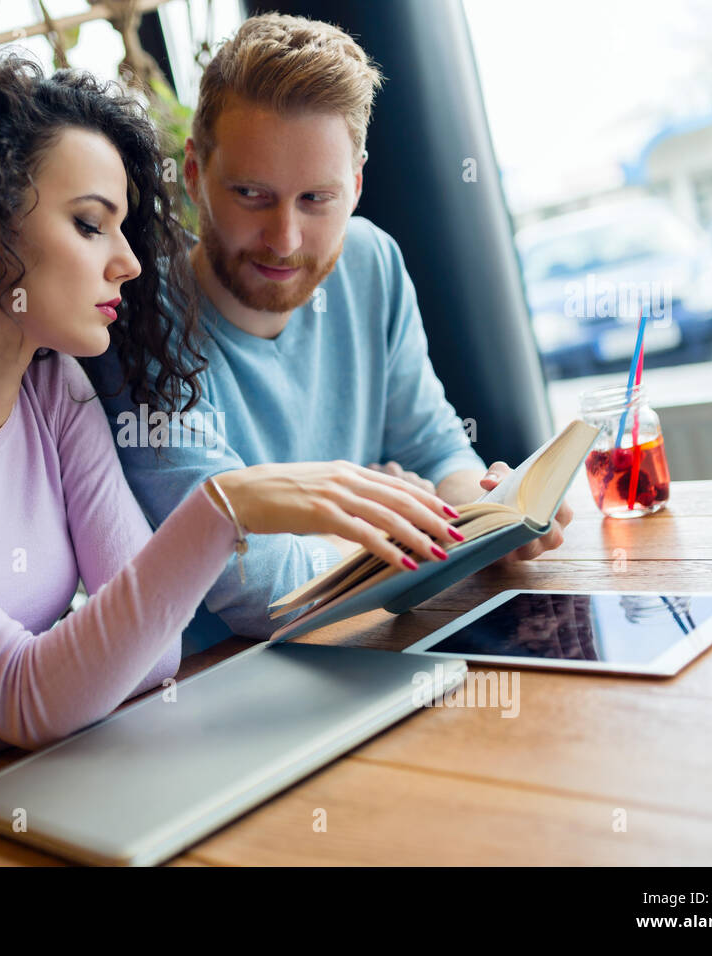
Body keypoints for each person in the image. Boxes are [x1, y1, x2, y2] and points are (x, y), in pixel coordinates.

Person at [0, 56, 463, 791]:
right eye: (89, 225)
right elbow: (25, 693)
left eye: (124, 229)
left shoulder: (55, 393)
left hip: (21, 776)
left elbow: (153, 655)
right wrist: (224, 508)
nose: (129, 264)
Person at [87, 14, 573, 654]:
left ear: (356, 187)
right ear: (197, 174)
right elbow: (253, 589)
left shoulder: (372, 261)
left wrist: (488, 512)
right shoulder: (146, 320)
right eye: (253, 194)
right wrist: (403, 525)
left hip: (376, 646)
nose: (284, 239)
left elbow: (433, 448)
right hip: (224, 681)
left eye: (317, 199)